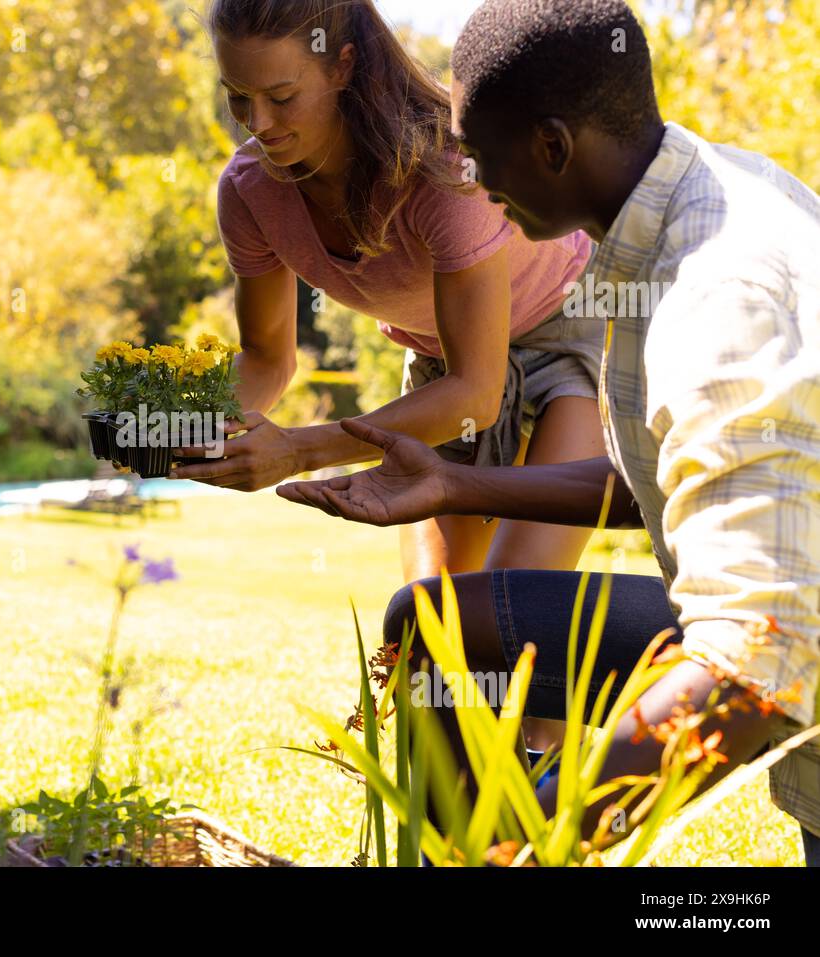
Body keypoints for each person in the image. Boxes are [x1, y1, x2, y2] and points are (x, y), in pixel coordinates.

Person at [278, 0, 820, 865]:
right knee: (435, 623)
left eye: (474, 150)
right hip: (786, 631)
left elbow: (761, 660)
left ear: (553, 147)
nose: (464, 175)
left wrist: (539, 842)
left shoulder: (715, 299)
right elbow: (681, 484)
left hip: (786, 660)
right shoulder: (707, 196)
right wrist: (457, 484)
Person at [175, 0, 605, 584]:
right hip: (443, 358)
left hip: (566, 329)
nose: (259, 122)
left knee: (510, 604)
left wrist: (300, 451)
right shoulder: (252, 192)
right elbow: (268, 359)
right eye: (237, 96)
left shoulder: (445, 173)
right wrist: (189, 429)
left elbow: (476, 396)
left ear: (341, 66)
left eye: (281, 97)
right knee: (428, 621)